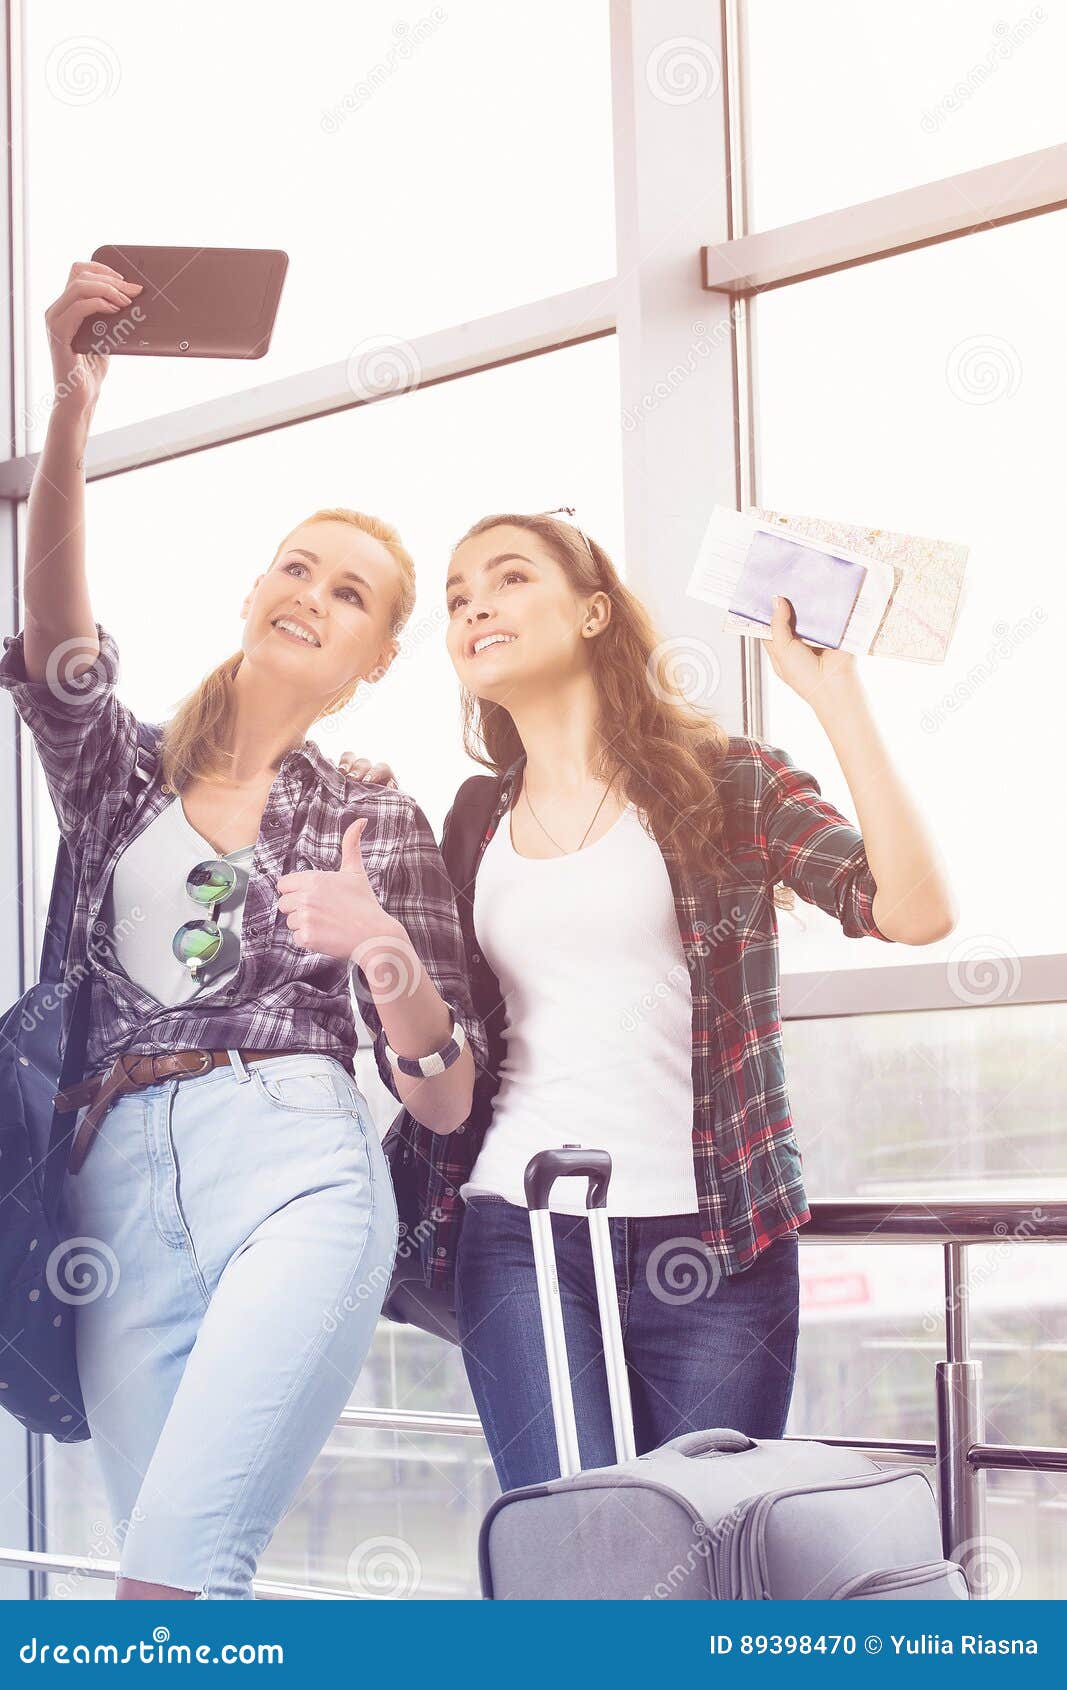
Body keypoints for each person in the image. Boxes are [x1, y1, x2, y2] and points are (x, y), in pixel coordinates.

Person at [0, 260, 484, 1597]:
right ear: (252, 589)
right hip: (109, 1195)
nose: (312, 595)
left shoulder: (370, 814)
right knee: (177, 1608)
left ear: (373, 656)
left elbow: (441, 1100)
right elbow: (54, 644)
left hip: (292, 1170)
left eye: (350, 596)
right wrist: (73, 409)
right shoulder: (121, 773)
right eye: (298, 567)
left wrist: (383, 954)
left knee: (170, 1574)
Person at [343, 508, 956, 1492]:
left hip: (717, 1243)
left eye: (506, 579)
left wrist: (832, 694)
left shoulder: (723, 783)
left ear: (592, 613)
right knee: (574, 1561)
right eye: (457, 598)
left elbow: (915, 912)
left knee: (700, 1564)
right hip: (522, 1233)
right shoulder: (468, 820)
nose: (474, 607)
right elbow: (441, 1048)